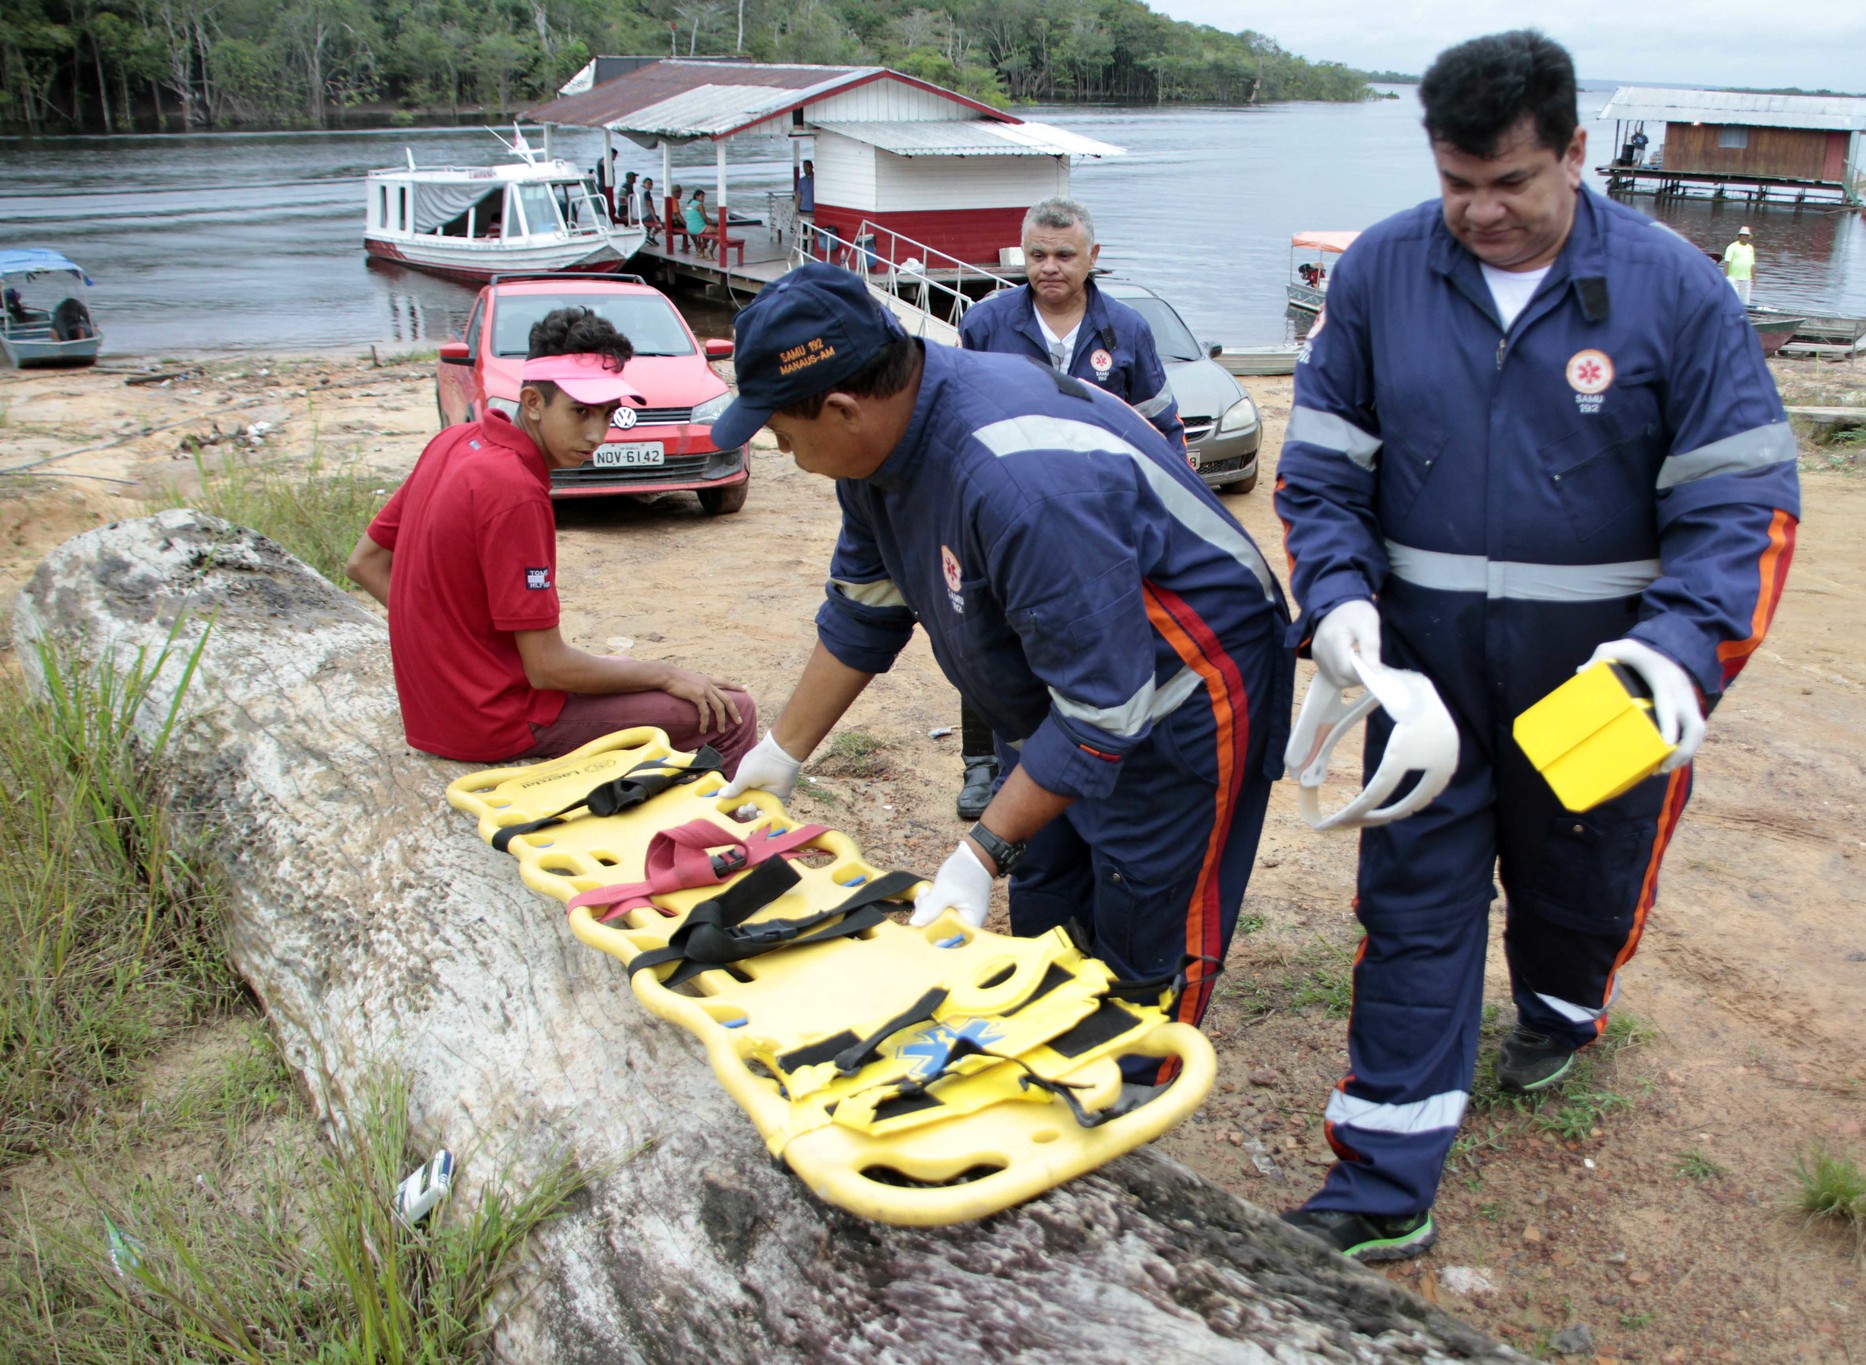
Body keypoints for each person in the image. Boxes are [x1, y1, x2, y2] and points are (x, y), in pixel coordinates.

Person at [1273, 30, 1799, 1262]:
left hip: (1605, 676)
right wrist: (1339, 606)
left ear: (1573, 150)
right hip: (1426, 677)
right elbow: (1321, 473)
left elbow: (1743, 504)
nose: (1478, 211)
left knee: (1579, 886)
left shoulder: (1676, 290)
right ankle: (1380, 1182)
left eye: (1508, 182)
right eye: (1456, 181)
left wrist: (1678, 653)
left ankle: (1560, 1014)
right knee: (1413, 907)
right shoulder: (1381, 274)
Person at [712, 265, 1289, 1076]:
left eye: (785, 437)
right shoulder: (876, 450)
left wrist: (979, 848)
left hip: (1183, 686)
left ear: (843, 408)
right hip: (1058, 685)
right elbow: (865, 611)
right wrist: (780, 755)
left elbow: (1107, 711)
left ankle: (1131, 1086)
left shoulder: (1018, 484)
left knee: (1147, 901)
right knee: (1049, 886)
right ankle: (1051, 1049)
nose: (789, 456)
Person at [344, 306, 759, 766]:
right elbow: (546, 668)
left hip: (441, 708)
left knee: (643, 674)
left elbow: (365, 563)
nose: (597, 433)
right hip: (499, 722)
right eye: (580, 412)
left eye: (608, 413)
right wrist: (663, 674)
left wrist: (452, 649)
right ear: (533, 403)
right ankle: (732, 835)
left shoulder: (454, 442)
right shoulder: (515, 491)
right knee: (733, 713)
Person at [948, 196, 1190, 819]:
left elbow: (1164, 429)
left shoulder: (1128, 329)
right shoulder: (985, 323)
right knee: (988, 635)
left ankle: (1094, 760)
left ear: (1092, 258)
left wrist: (1171, 508)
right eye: (1036, 255)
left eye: (1063, 255)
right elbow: (955, 419)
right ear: (1021, 255)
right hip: (1006, 515)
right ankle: (988, 766)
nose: (1049, 267)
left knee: (1093, 634)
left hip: (1097, 524)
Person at [1723, 224, 1756, 304]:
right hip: (1734, 279)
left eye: (1747, 236)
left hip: (1746, 280)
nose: (1745, 237)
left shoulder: (1750, 248)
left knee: (1745, 302)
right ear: (1739, 236)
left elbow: (1752, 264)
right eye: (1743, 235)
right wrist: (1727, 278)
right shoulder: (1732, 247)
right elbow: (1727, 263)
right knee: (1734, 301)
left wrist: (1754, 278)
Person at [684, 190, 715, 257]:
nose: (703, 199)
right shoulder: (699, 205)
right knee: (719, 232)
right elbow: (705, 218)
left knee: (708, 231)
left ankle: (701, 250)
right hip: (698, 228)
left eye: (704, 197)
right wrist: (711, 221)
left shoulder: (689, 204)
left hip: (689, 228)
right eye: (702, 197)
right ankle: (708, 251)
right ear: (696, 196)